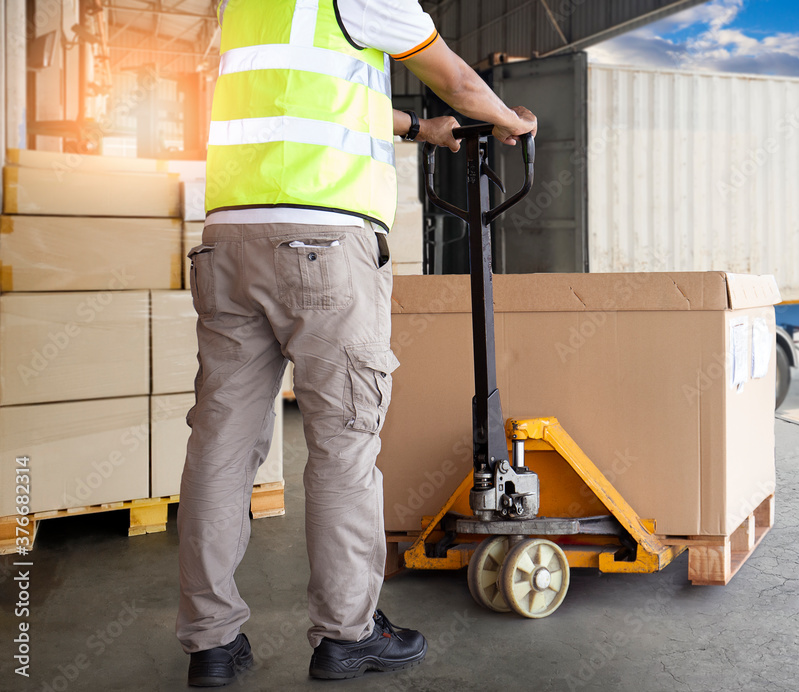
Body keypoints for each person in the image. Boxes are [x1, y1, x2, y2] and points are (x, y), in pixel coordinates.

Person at [175, 0, 537, 686]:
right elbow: (458, 80)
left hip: (227, 244)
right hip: (323, 246)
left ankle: (210, 644)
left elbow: (301, 105)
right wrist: (511, 120)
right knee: (343, 445)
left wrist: (417, 129)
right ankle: (347, 634)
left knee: (220, 447)